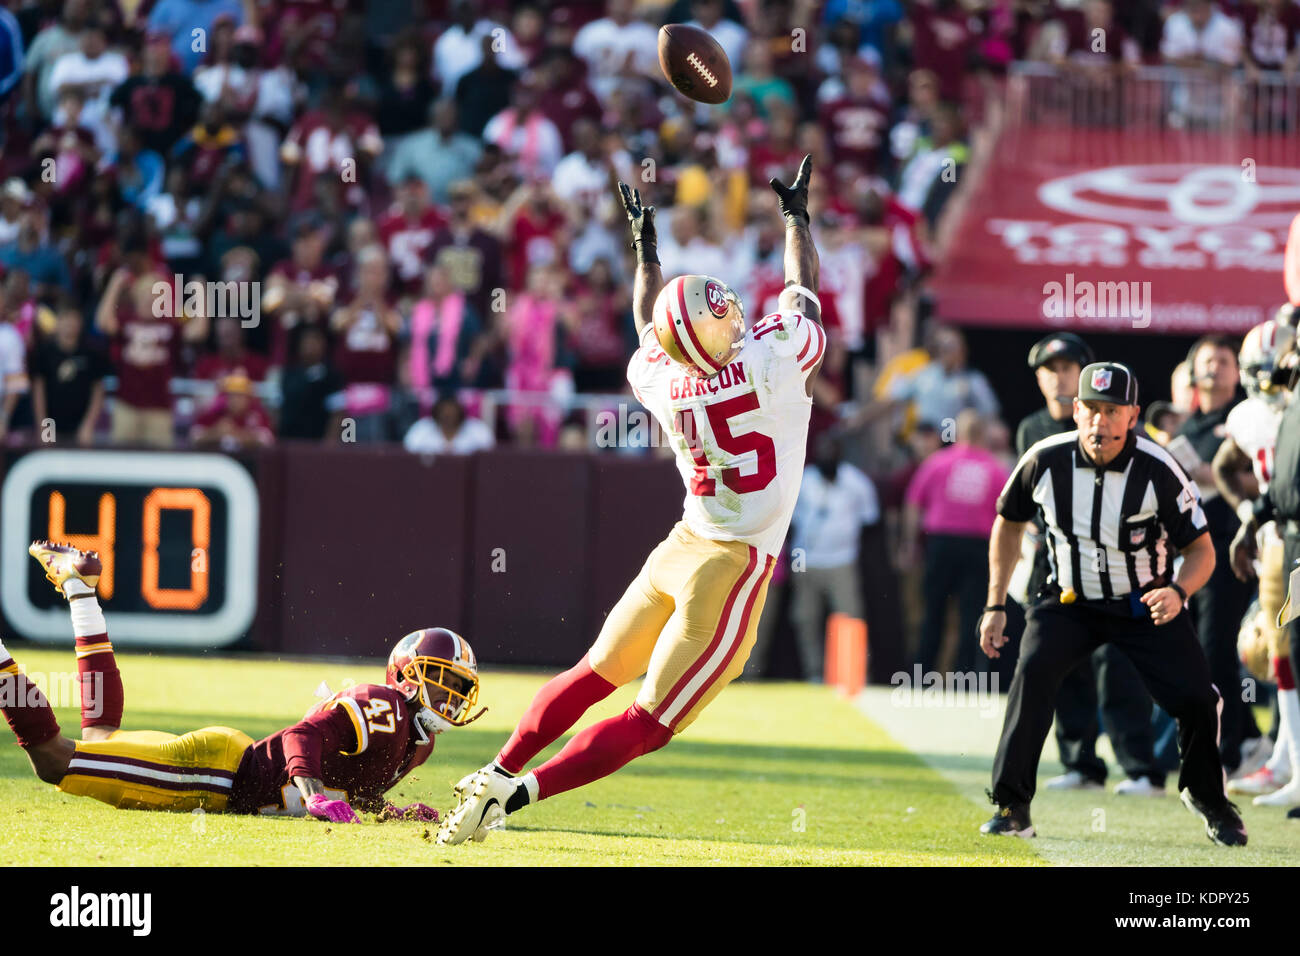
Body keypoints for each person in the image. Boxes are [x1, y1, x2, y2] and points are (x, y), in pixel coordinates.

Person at [436, 157, 825, 845]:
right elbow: (802, 290)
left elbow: (651, 318)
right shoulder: (772, 359)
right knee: (650, 721)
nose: (732, 310)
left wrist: (644, 249)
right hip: (732, 568)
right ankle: (511, 798)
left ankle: (497, 770)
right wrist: (796, 217)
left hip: (680, 546)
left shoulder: (660, 377)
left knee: (593, 673)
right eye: (720, 309)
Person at [7, 541, 482, 821]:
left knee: (99, 739)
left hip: (227, 774)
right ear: (407, 677)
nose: (448, 697)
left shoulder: (418, 744)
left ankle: (78, 588)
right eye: (442, 682)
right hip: (216, 776)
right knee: (53, 760)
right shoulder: (387, 707)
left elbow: (353, 787)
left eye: (458, 690)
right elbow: (303, 733)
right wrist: (313, 794)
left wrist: (389, 813)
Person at [979, 362, 1246, 845]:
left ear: (1132, 416)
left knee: (1198, 699)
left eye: (1113, 411)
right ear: (1076, 410)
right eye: (1093, 410)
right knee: (1033, 675)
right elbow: (1008, 521)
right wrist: (995, 603)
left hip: (1144, 602)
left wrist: (1178, 591)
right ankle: (1011, 805)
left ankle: (1208, 798)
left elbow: (1202, 551)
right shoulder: (1045, 458)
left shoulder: (1159, 468)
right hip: (1068, 599)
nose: (1101, 422)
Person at [1016, 333, 1163, 795]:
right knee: (1059, 664)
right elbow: (1020, 502)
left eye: (1066, 368)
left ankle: (1140, 767)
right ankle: (1081, 762)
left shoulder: (1120, 426)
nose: (1057, 378)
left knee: (1117, 663)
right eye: (1049, 370)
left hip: (1115, 563)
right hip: (1053, 562)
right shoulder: (1032, 429)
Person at [1176, 335, 1268, 778]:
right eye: (1206, 360)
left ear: (1238, 370)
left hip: (1233, 549)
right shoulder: (1186, 426)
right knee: (1195, 651)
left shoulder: (1249, 418)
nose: (1214, 367)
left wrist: (1210, 474)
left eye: (1224, 360)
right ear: (1193, 370)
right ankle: (1246, 738)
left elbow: (1266, 478)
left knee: (1218, 648)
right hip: (1188, 553)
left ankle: (1229, 752)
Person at [1219, 318, 1298, 806]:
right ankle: (1287, 760)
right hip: (1279, 541)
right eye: (1258, 372)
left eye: (1274, 372)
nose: (1266, 384)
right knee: (1277, 653)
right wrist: (1249, 515)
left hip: (1289, 537)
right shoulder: (1249, 417)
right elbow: (1228, 464)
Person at [902, 409, 1009, 676]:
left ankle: (921, 677)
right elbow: (1009, 516)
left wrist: (909, 544)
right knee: (971, 615)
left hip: (941, 545)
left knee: (933, 613)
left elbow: (913, 504)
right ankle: (966, 679)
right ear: (983, 435)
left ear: (958, 433)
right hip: (977, 548)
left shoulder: (937, 462)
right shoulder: (996, 469)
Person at [788, 431, 880, 682]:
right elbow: (791, 521)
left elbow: (869, 519)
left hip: (842, 560)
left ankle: (851, 675)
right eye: (824, 451)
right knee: (805, 619)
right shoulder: (803, 481)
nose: (829, 455)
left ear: (841, 453)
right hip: (806, 562)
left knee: (850, 617)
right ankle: (814, 674)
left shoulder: (857, 482)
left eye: (833, 450)